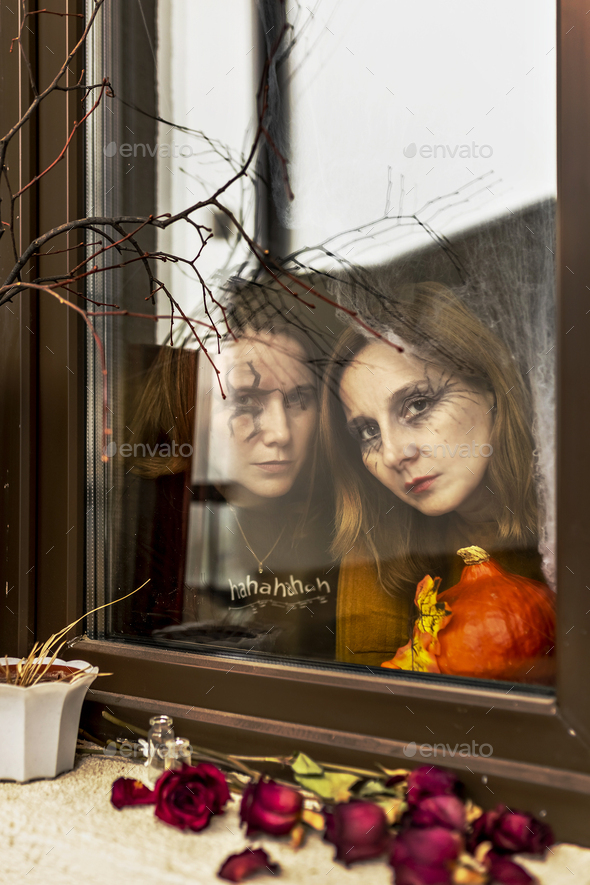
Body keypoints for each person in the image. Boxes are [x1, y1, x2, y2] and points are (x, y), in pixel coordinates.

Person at [321, 282, 545, 666]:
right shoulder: (380, 538)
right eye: (368, 431)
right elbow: (371, 693)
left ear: (490, 387)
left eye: (418, 404)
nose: (393, 454)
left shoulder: (566, 520)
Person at [127, 289, 338, 661]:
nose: (280, 433)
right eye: (245, 401)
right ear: (191, 410)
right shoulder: (146, 526)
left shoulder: (344, 525)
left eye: (298, 399)